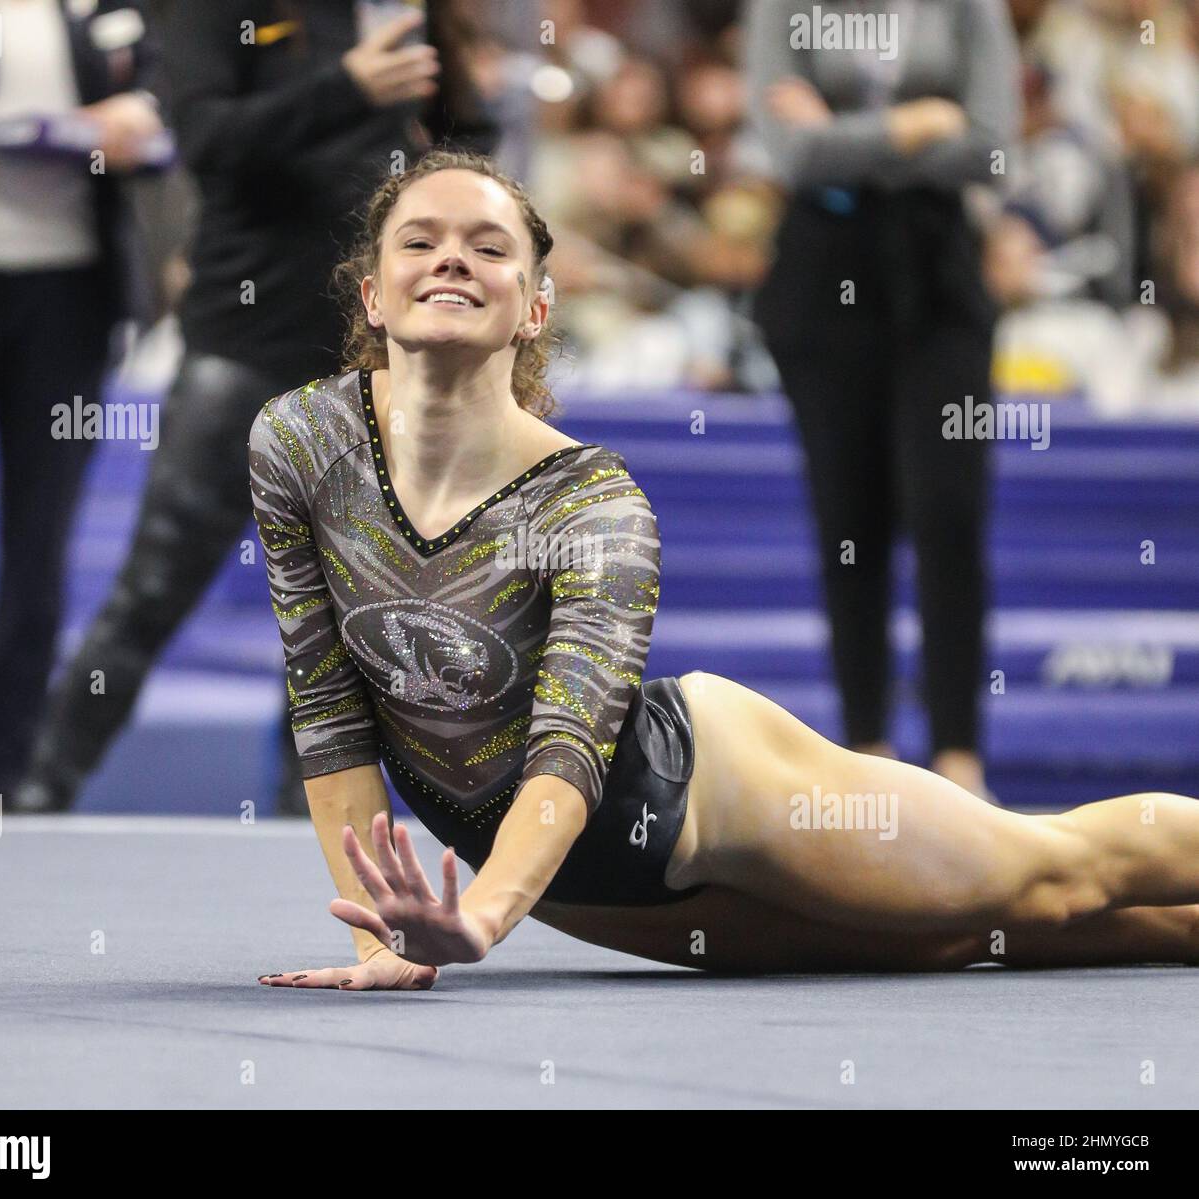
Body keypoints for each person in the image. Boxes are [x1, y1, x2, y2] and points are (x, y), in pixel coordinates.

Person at [250, 149, 1199, 990]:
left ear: (535, 309)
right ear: (372, 293)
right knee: (961, 942)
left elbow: (571, 747)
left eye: (489, 246)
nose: (451, 257)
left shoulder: (588, 500)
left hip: (696, 790)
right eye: (418, 241)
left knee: (1054, 872)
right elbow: (330, 711)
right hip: (577, 879)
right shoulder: (298, 442)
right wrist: (383, 936)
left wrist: (482, 917)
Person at [13, 0, 499, 813]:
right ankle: (41, 791)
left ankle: (309, 819)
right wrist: (344, 89)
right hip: (245, 340)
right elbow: (203, 141)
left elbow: (469, 140)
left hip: (372, 358)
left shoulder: (410, 9)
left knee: (350, 609)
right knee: (154, 586)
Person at [736, 0, 1022, 799]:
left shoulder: (970, 10)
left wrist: (848, 140)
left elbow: (995, 151)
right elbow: (791, 154)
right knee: (848, 521)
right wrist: (920, 124)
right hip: (822, 281)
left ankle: (960, 759)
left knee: (948, 513)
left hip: (938, 280)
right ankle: (870, 751)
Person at [0, 0, 163, 799]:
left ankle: (1, 776)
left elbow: (168, 93)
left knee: (38, 550)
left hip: (67, 304)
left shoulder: (100, 8)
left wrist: (140, 114)